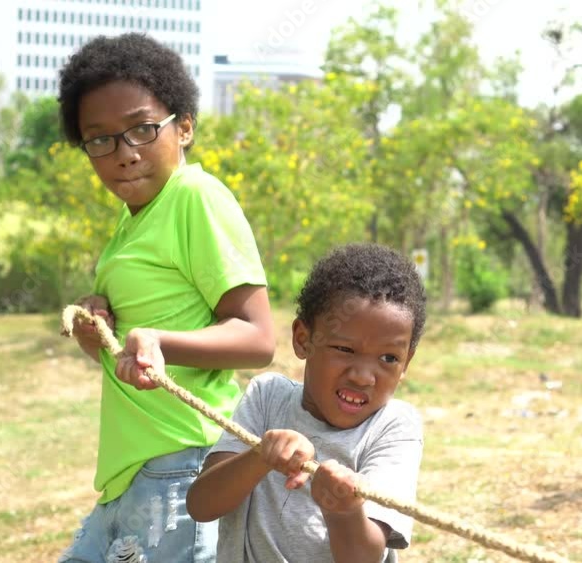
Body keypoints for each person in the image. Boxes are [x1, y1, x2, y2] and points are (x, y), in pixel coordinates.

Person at [58, 33, 276, 562]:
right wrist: (98, 325)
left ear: (184, 127)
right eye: (100, 138)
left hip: (181, 465)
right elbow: (130, 359)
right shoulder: (129, 224)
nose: (124, 153)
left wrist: (157, 339)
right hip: (132, 469)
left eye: (141, 128)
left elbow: (256, 338)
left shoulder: (194, 198)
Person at [187, 244, 427, 563]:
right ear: (303, 339)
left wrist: (343, 511)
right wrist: (260, 456)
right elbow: (201, 505)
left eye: (388, 358)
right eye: (344, 349)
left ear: (406, 363)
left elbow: (364, 557)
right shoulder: (267, 397)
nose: (363, 376)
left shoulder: (394, 427)